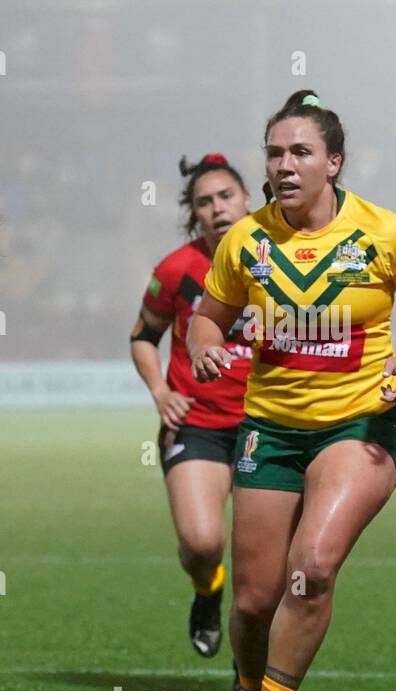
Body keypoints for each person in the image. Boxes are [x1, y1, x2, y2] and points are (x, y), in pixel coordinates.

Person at [188, 91, 396, 691]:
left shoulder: (386, 232)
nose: (285, 165)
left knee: (311, 568)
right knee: (254, 600)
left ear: (332, 162)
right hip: (270, 431)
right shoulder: (245, 240)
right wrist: (202, 343)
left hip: (359, 422)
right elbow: (209, 315)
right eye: (276, 153)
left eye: (301, 152)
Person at [130, 153, 252, 665]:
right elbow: (144, 336)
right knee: (203, 543)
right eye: (205, 202)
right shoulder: (177, 270)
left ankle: (253, 663)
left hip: (267, 423)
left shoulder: (283, 260)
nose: (217, 208)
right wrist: (160, 390)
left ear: (248, 199)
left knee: (266, 566)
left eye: (226, 196)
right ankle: (208, 590)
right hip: (196, 421)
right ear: (194, 213)